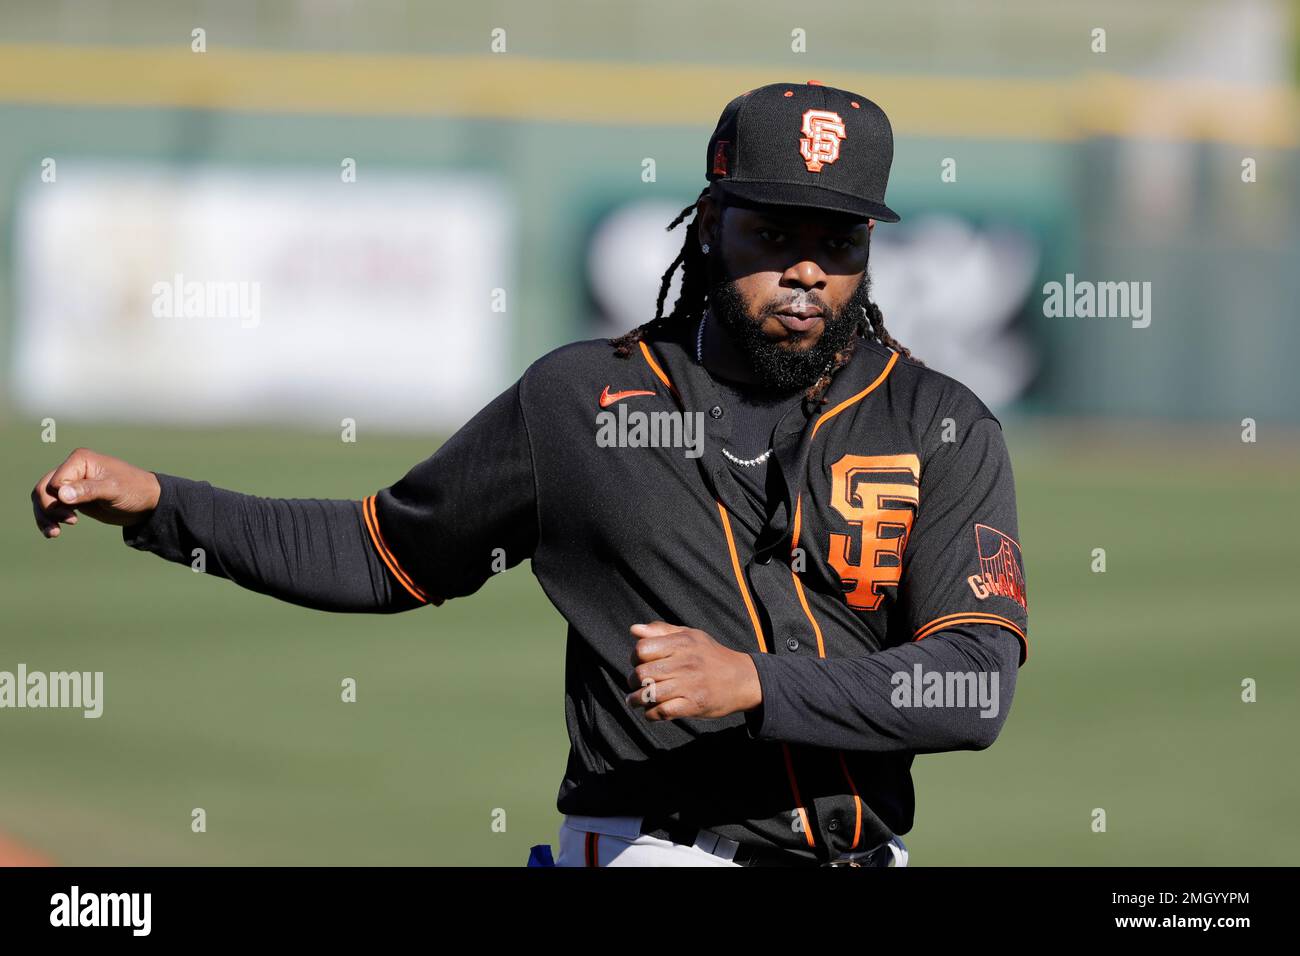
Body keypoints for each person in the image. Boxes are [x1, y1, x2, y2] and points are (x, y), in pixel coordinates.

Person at [31, 81, 1028, 867]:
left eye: (837, 239)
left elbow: (974, 686)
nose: (806, 267)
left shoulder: (939, 425)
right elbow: (384, 553)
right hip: (651, 849)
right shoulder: (579, 404)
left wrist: (752, 683)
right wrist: (164, 504)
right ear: (710, 221)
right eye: (774, 231)